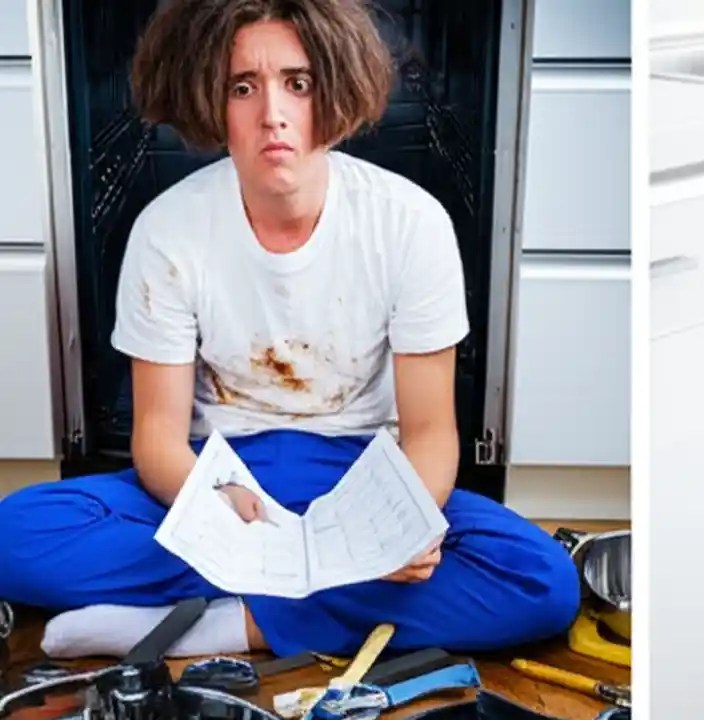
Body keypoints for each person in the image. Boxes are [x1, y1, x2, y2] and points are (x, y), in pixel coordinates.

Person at [0, 0, 579, 660]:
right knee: (12, 537)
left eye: (298, 84)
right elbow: (158, 437)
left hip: (362, 472)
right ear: (210, 101)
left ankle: (221, 625)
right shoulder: (167, 231)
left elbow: (430, 431)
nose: (272, 113)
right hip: (225, 478)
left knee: (542, 580)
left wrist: (391, 531)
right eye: (242, 87)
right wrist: (231, 510)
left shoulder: (410, 223)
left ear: (333, 90)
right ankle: (308, 598)